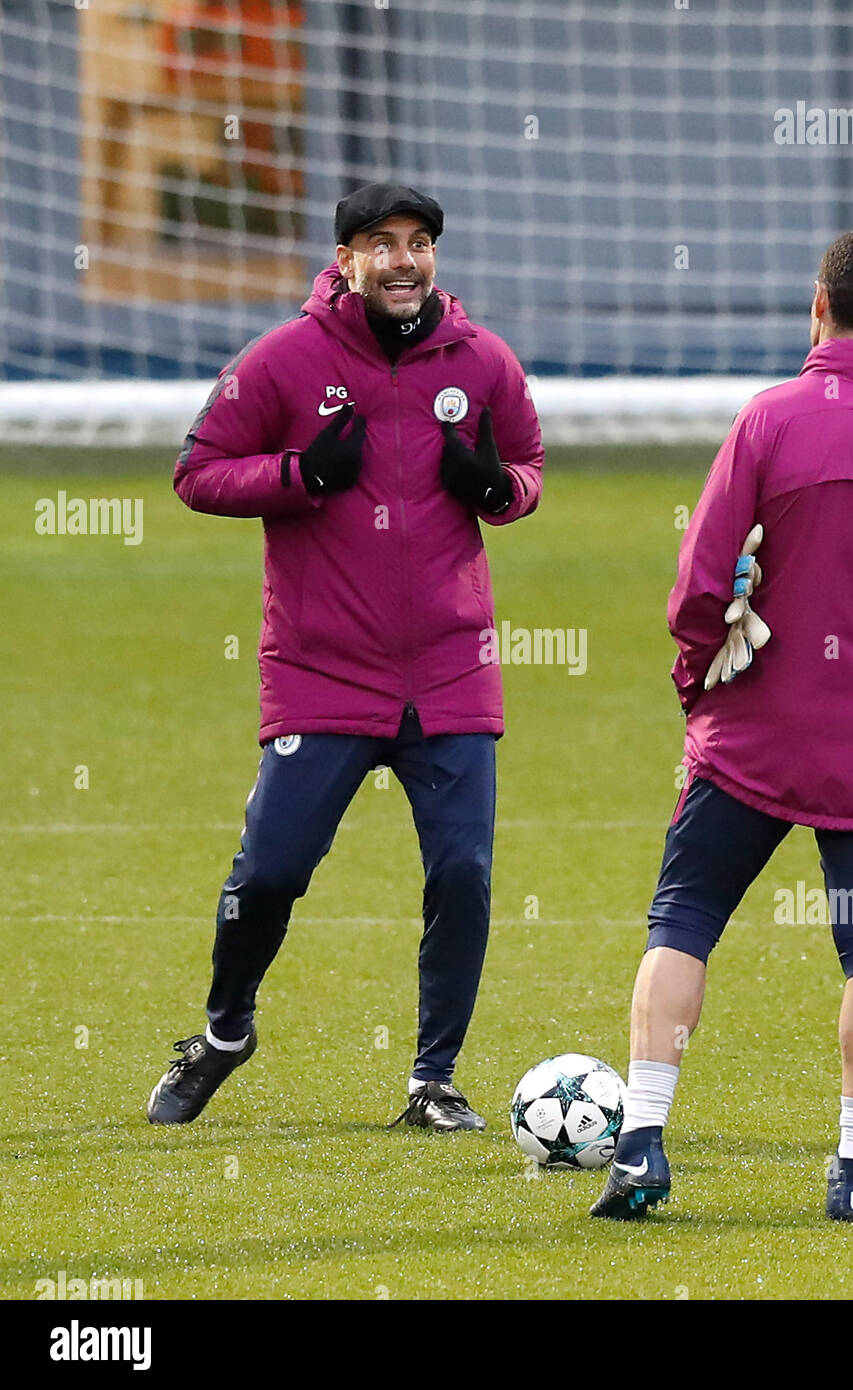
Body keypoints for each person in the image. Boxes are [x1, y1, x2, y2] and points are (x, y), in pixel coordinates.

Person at [592, 228, 853, 1220]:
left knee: (682, 923)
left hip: (750, 738)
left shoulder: (767, 423)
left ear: (817, 305)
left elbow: (698, 585)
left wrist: (702, 681)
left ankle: (640, 1147)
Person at [149, 183, 543, 1132]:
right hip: (323, 670)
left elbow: (527, 472)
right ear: (347, 259)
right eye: (382, 244)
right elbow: (195, 473)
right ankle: (226, 1032)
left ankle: (433, 1081)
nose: (404, 261)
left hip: (450, 668)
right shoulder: (285, 360)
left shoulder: (484, 361)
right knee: (272, 871)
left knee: (463, 875)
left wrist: (494, 486)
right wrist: (301, 476)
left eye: (420, 244)